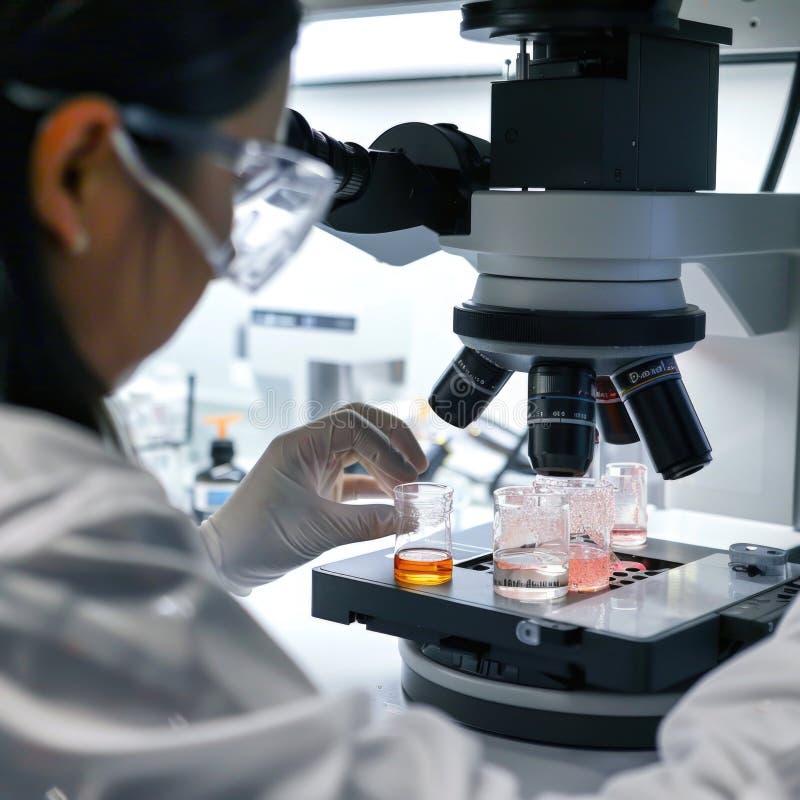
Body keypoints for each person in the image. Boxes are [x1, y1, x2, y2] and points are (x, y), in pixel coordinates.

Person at [0, 2, 797, 798]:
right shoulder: (42, 533)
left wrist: (216, 557)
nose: (229, 248)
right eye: (244, 178)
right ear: (79, 169)